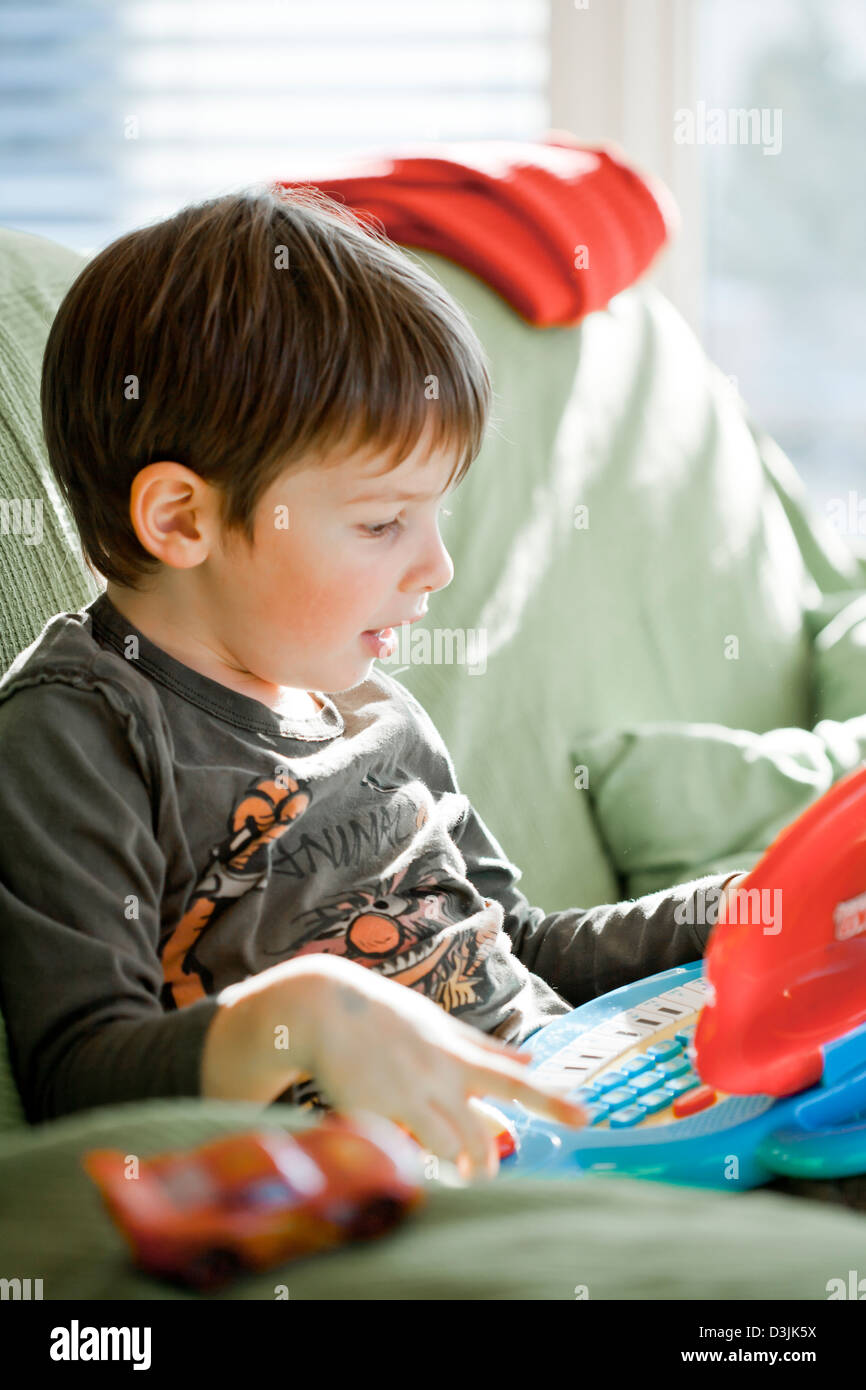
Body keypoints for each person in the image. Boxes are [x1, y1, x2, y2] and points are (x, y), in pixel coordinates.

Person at [0, 188, 745, 1179]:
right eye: (381, 522)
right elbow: (80, 1075)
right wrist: (292, 1017)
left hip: (589, 1115)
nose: (434, 565)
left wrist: (744, 906)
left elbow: (514, 944)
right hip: (410, 1189)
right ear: (180, 520)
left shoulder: (371, 706)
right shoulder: (81, 733)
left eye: (434, 515)